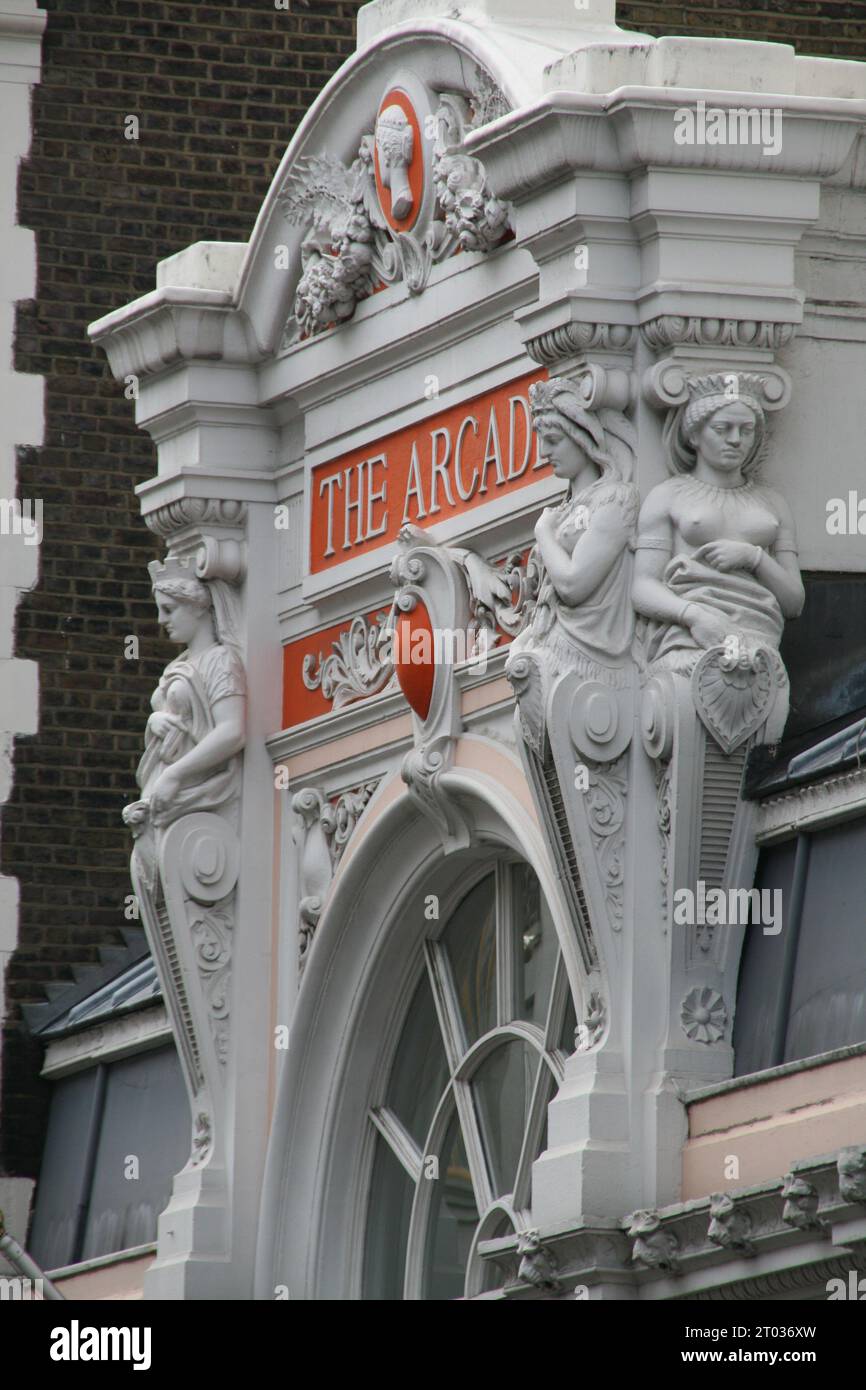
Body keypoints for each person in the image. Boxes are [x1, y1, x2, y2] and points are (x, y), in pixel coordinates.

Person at [632, 374, 804, 674]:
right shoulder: (667, 495)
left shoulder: (773, 503)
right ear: (694, 435)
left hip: (759, 643)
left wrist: (754, 557)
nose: (736, 440)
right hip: (688, 641)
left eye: (746, 430)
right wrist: (693, 615)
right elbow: (643, 586)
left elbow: (794, 602)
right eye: (722, 429)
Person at [508, 376, 639, 688]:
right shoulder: (565, 510)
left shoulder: (614, 499)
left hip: (589, 663)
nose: (544, 452)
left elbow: (572, 584)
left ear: (582, 437)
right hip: (555, 651)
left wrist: (543, 531)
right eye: (542, 441)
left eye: (553, 440)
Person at [125, 558, 245, 834]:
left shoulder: (220, 660)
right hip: (164, 792)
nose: (161, 620)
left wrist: (175, 774)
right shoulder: (177, 665)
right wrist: (154, 720)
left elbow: (232, 731)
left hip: (192, 790)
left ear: (197, 606)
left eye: (169, 609)